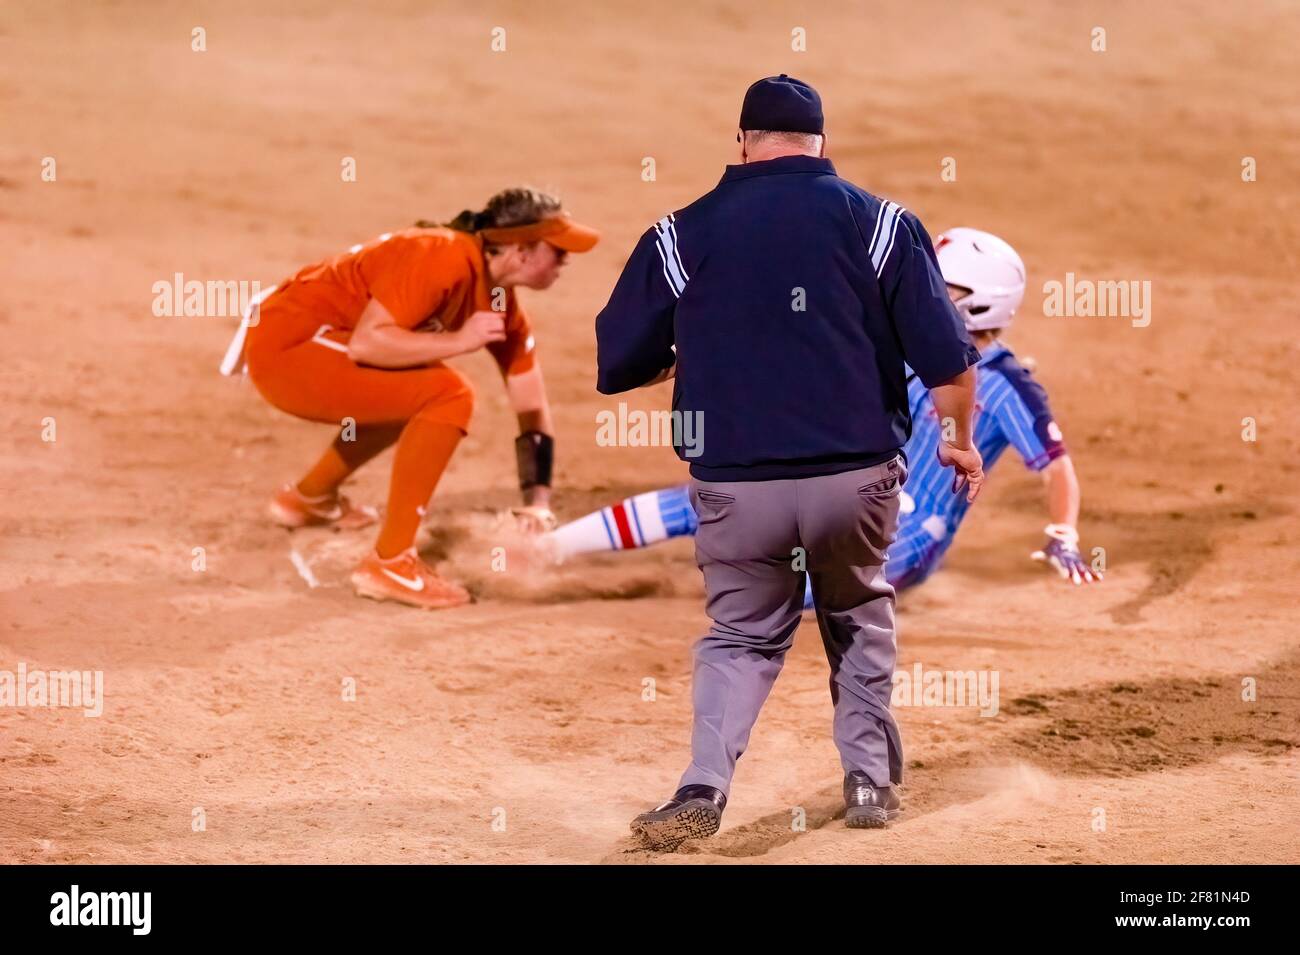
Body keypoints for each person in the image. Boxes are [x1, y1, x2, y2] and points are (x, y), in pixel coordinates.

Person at [594, 75, 984, 850]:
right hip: (855, 479)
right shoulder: (882, 223)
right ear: (821, 143)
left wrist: (682, 350)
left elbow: (618, 360)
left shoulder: (681, 231)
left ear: (743, 143)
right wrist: (957, 440)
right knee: (857, 613)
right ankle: (868, 781)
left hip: (738, 486)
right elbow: (950, 363)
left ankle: (701, 785)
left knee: (739, 635)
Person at [547, 227, 1101, 592]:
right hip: (849, 496)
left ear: (981, 303)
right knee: (718, 494)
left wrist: (1063, 533)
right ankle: (546, 550)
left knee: (781, 586)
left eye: (943, 287)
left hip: (907, 538)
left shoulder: (1006, 386)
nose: (924, 291)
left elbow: (1057, 467)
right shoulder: (900, 338)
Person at [220, 188, 598, 609]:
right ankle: (390, 563)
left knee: (420, 389)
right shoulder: (443, 255)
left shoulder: (499, 302)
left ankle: (308, 499)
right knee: (447, 395)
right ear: (521, 250)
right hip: (289, 347)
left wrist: (538, 504)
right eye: (557, 250)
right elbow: (368, 344)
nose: (566, 260)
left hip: (319, 345)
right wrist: (459, 340)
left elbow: (531, 404)